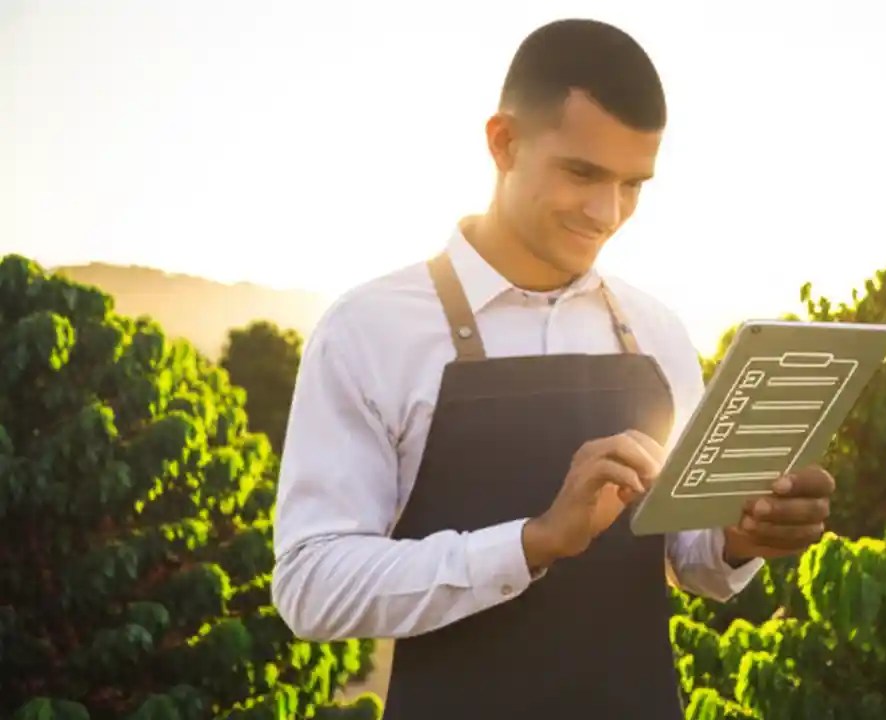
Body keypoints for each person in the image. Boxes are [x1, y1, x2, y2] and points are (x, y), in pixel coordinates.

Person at [270, 17, 836, 719]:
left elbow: (691, 557)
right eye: (582, 173)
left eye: (634, 183)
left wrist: (742, 534)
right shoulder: (369, 330)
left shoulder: (656, 329)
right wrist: (532, 542)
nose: (608, 213)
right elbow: (311, 587)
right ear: (503, 143)